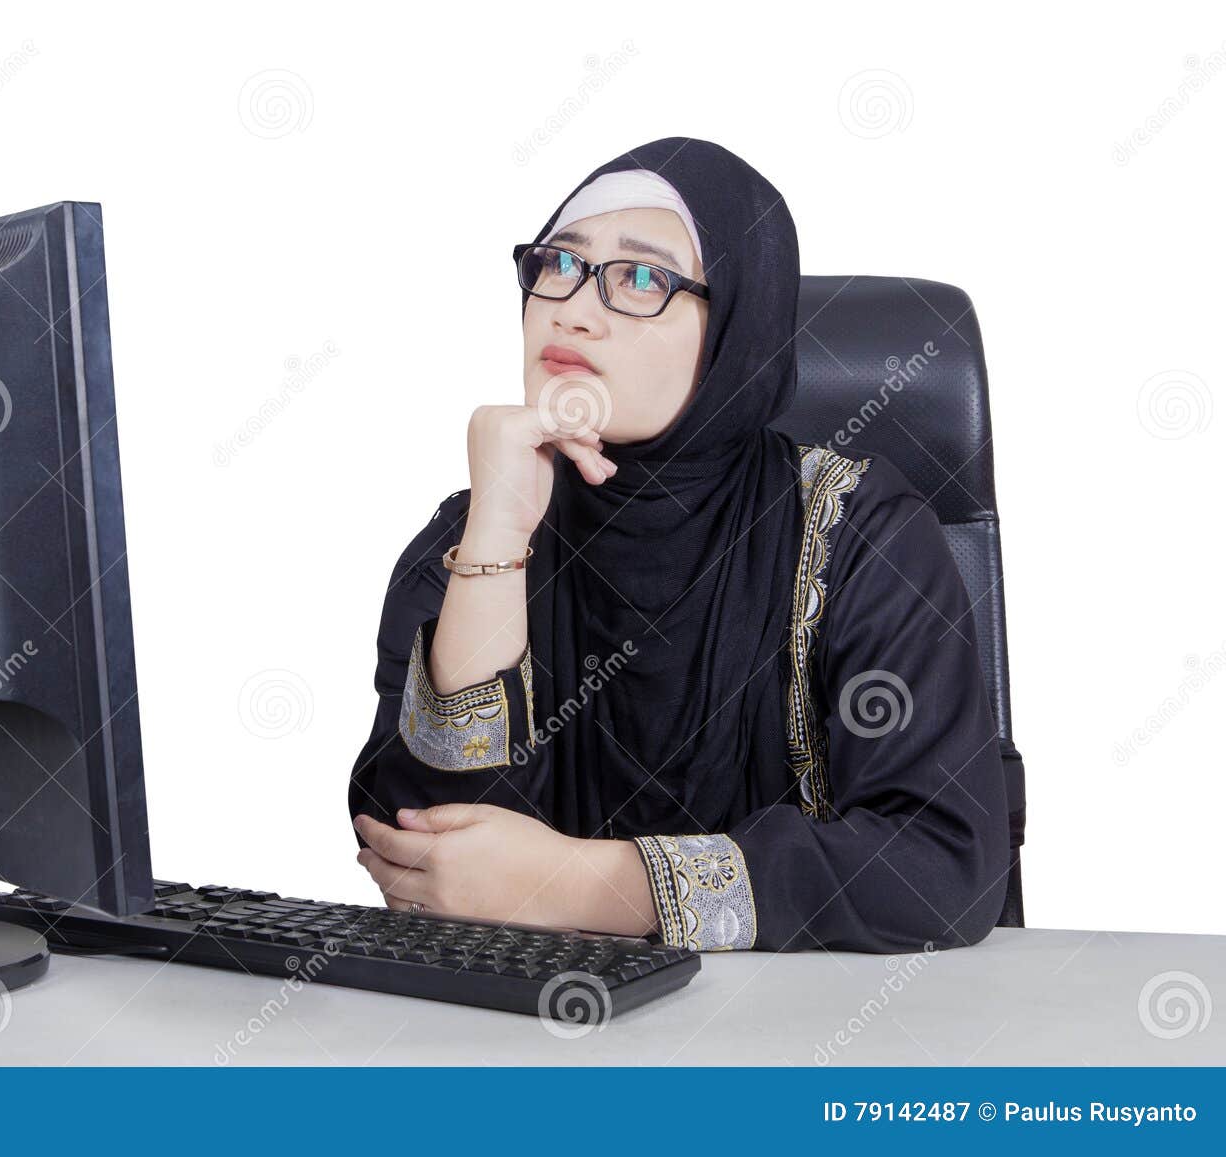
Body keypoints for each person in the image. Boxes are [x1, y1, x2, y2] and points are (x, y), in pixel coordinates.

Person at [347, 137, 1010, 952]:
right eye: (560, 263)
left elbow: (941, 865)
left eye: (640, 277)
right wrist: (496, 539)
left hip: (814, 1022)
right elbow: (423, 860)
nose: (572, 309)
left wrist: (587, 885)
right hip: (535, 1023)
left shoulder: (860, 532)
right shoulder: (469, 537)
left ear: (737, 331)